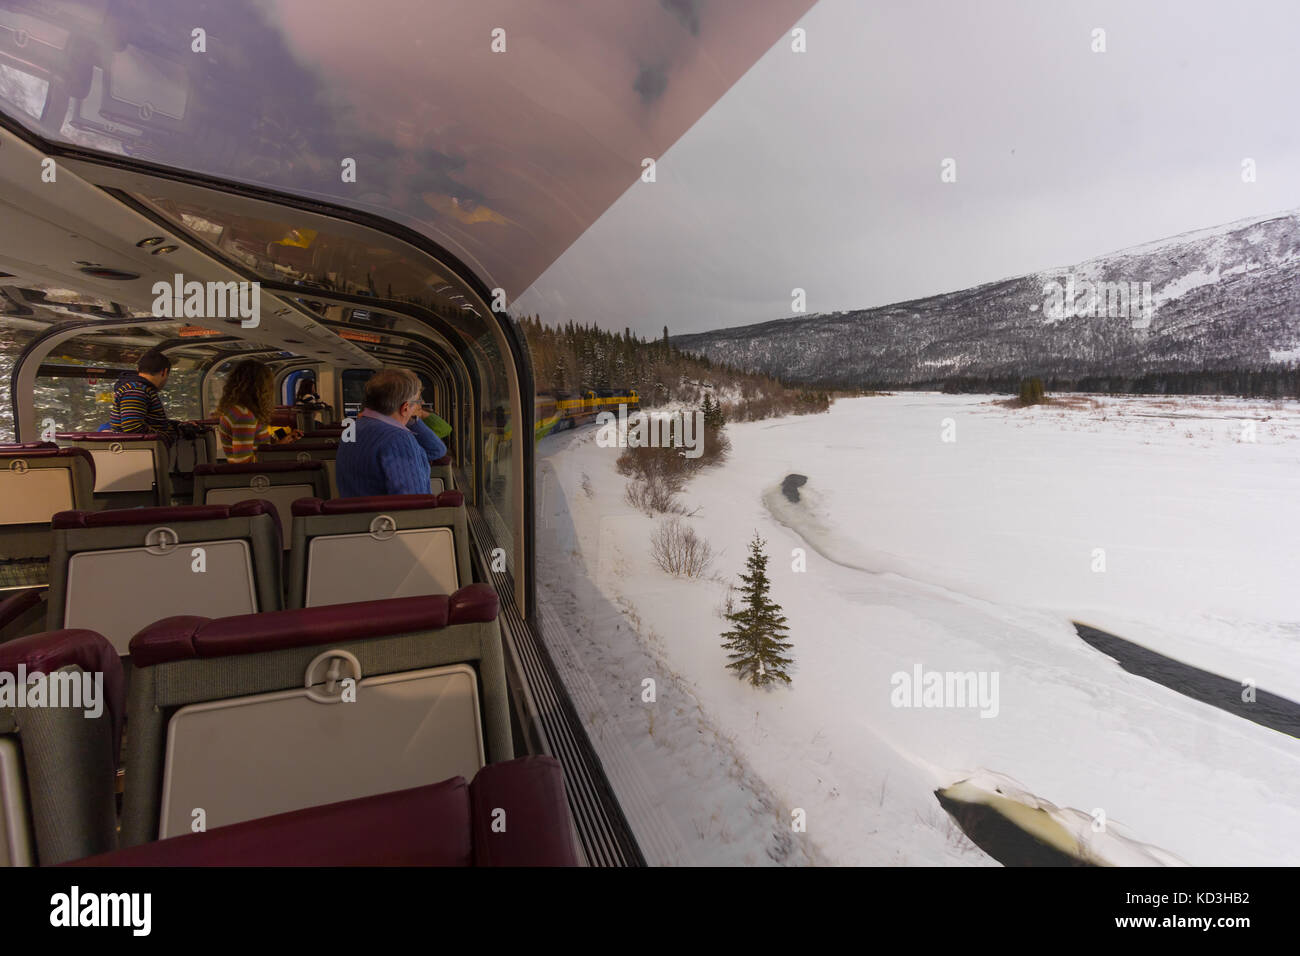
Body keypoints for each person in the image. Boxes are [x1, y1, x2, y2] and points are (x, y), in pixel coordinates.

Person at [336, 368, 447, 497]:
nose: (421, 403)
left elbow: (436, 450)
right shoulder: (398, 438)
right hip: (386, 516)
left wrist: (409, 419)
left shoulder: (353, 429)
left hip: (355, 515)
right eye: (417, 401)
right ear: (405, 407)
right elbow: (415, 502)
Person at [215, 360, 300, 463]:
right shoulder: (243, 416)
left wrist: (280, 444)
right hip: (257, 477)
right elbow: (243, 462)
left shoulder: (236, 410)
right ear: (260, 387)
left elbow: (255, 451)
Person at [110, 348, 181, 444]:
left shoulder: (140, 389)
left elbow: (149, 421)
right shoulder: (136, 390)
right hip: (140, 452)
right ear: (164, 372)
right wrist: (165, 437)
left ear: (138, 370)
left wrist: (176, 426)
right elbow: (132, 426)